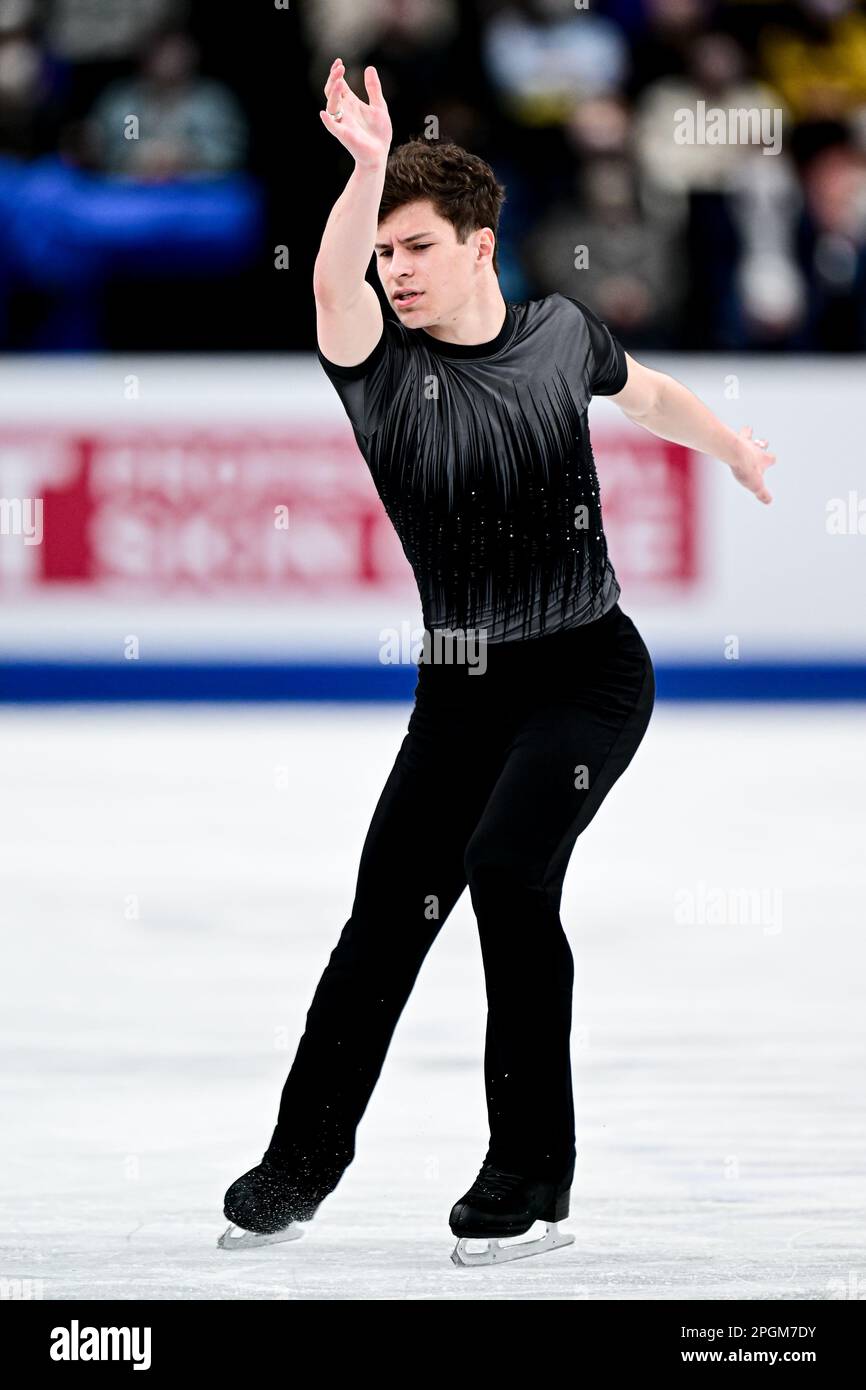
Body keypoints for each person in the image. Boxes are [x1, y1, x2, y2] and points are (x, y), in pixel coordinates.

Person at [220, 59, 776, 1262]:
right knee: (383, 921)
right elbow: (326, 280)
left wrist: (731, 443)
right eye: (385, 253)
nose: (395, 270)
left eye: (416, 246)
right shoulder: (378, 371)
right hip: (458, 687)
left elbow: (649, 393)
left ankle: (532, 1175)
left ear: (479, 244)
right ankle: (301, 1160)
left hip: (588, 673)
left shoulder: (557, 335)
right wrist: (363, 176)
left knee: (507, 872)